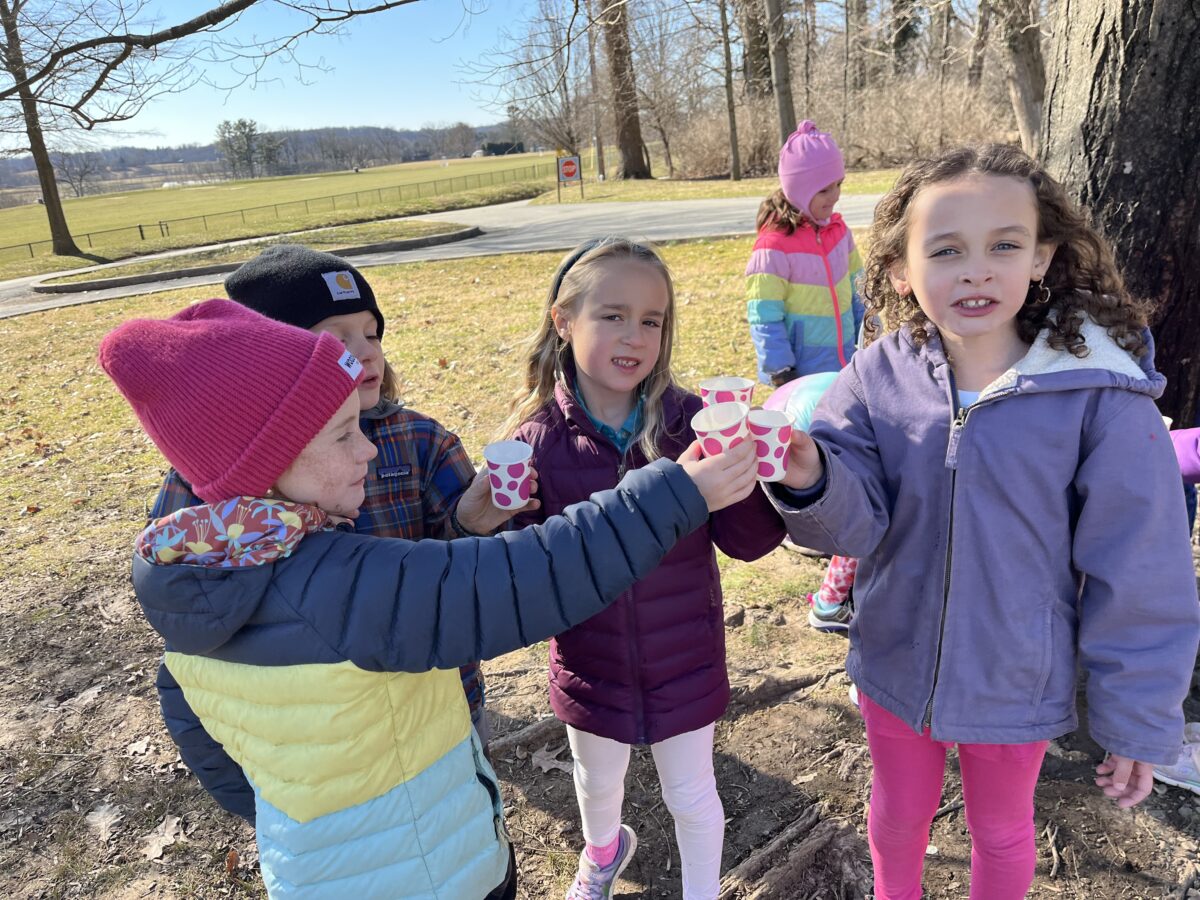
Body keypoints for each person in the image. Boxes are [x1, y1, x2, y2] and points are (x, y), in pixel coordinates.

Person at [100, 299, 760, 900]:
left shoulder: (188, 579)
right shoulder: (340, 585)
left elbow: (201, 738)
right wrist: (677, 492)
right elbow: (531, 576)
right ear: (258, 468)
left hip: (309, 874)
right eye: (341, 436)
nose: (367, 448)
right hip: (436, 873)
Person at [770, 144, 1200, 899]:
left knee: (1000, 830)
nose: (976, 269)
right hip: (896, 664)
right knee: (898, 813)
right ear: (902, 270)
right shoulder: (876, 376)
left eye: (1004, 245)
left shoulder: (1097, 393)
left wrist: (1139, 716)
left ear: (1042, 256)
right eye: (946, 250)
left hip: (1016, 678)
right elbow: (854, 527)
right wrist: (811, 477)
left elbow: (1140, 567)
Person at [147, 246, 514, 827]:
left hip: (437, 701)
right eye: (337, 338)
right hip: (314, 736)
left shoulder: (418, 440)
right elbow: (189, 595)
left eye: (372, 332)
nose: (366, 352)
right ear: (275, 362)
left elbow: (464, 570)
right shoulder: (212, 482)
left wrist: (470, 522)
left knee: (464, 828)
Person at [502, 238, 786, 900]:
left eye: (652, 320)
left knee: (691, 793)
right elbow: (526, 568)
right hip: (588, 659)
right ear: (563, 321)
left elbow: (745, 544)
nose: (635, 335)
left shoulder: (692, 424)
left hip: (682, 654)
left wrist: (747, 474)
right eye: (613, 315)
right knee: (597, 781)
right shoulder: (536, 442)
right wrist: (503, 512)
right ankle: (601, 856)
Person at [744, 120, 865, 633]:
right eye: (822, 189)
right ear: (797, 190)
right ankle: (823, 536)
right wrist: (781, 369)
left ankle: (845, 545)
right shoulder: (773, 246)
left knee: (849, 455)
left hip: (846, 368)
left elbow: (859, 288)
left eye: (837, 186)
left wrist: (869, 339)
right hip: (802, 375)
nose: (833, 198)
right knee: (814, 456)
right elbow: (762, 314)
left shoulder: (839, 232)